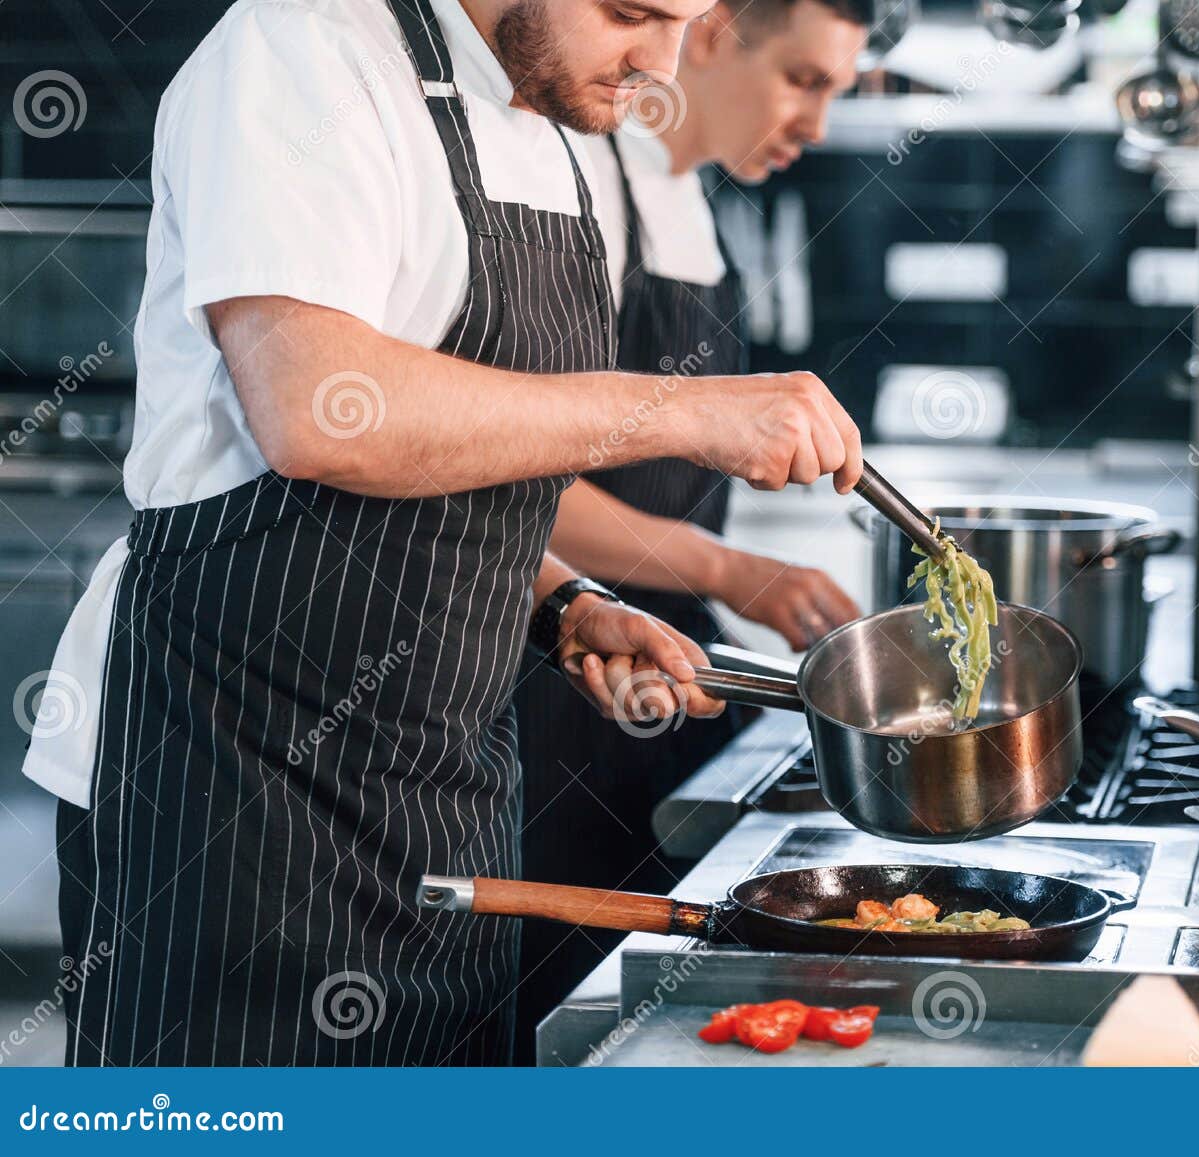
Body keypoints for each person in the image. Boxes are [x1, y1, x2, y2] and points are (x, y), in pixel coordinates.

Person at [25, 0, 861, 1067]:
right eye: (631, 16)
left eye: (682, 20)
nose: (659, 65)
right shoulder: (304, 51)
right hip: (232, 788)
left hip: (443, 785)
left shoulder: (549, 129)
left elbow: (459, 451)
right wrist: (683, 409)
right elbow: (317, 406)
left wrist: (561, 601)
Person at [511, 0, 870, 1046]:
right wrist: (723, 566)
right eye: (802, 79)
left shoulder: (691, 204)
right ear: (709, 35)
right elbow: (518, 472)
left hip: (643, 670)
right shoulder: (574, 181)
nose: (811, 121)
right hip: (549, 677)